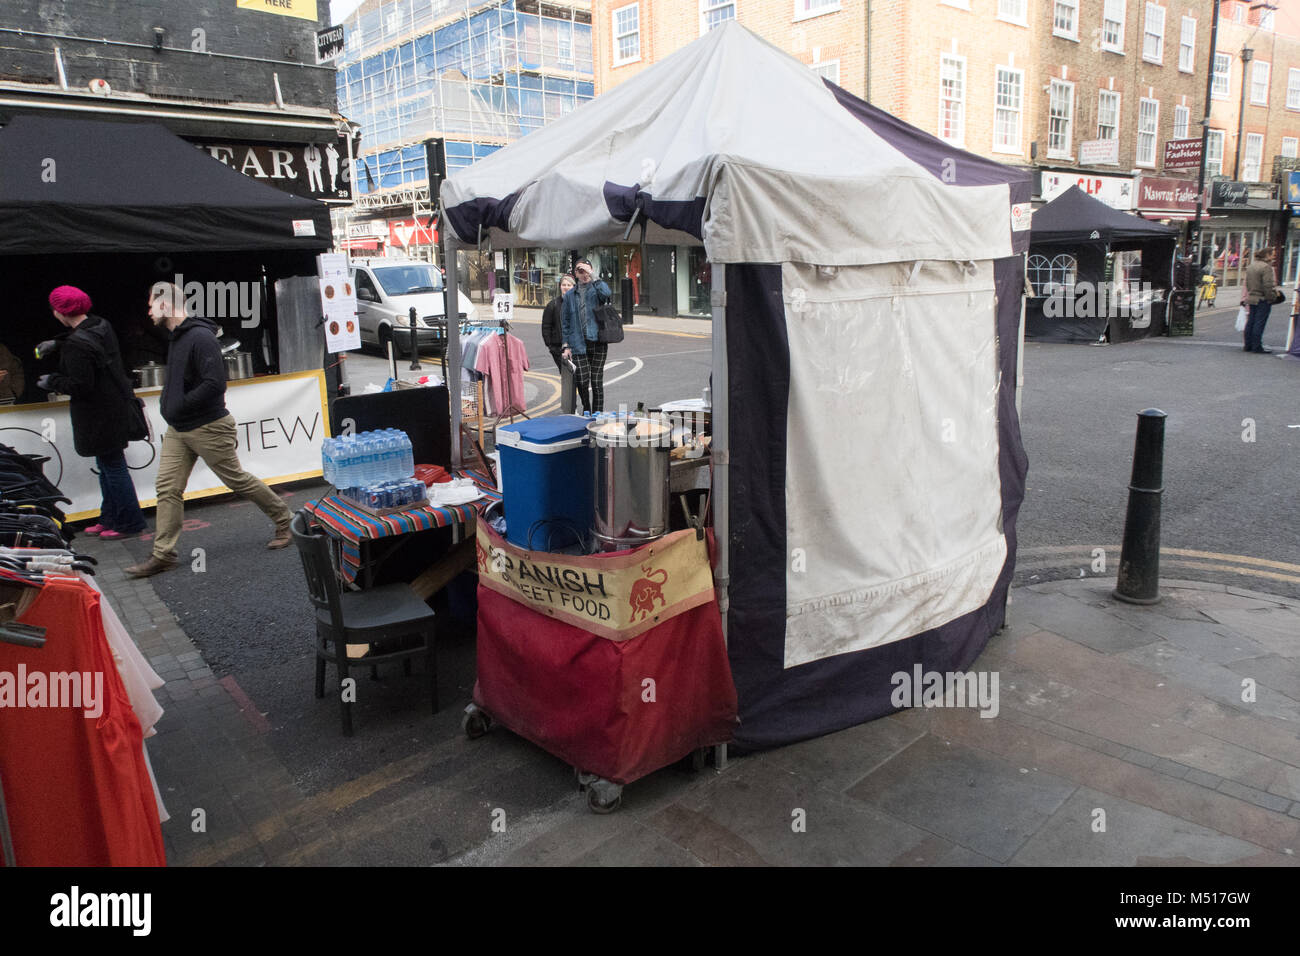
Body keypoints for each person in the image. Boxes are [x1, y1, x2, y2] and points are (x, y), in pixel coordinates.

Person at [125, 282, 292, 578]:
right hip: (181, 428)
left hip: (208, 426)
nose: (148, 311)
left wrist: (179, 406)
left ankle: (286, 520)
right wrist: (176, 409)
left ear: (165, 305)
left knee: (237, 480)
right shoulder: (178, 337)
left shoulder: (200, 337)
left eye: (151, 304)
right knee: (168, 488)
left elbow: (215, 383)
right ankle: (163, 554)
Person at [36, 286, 147, 538]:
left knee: (113, 467)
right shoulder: (102, 325)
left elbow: (80, 386)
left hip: (99, 415)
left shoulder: (76, 345)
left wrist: (52, 381)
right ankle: (110, 517)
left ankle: (129, 522)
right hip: (114, 408)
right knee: (108, 465)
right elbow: (87, 336)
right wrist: (58, 342)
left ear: (58, 311)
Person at [561, 258, 614, 413]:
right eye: (580, 270)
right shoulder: (570, 295)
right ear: (575, 274)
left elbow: (607, 293)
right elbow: (565, 322)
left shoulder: (597, 289)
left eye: (586, 270)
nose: (583, 273)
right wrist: (565, 346)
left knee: (597, 382)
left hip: (598, 341)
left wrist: (593, 275)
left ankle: (597, 415)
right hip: (578, 343)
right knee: (582, 381)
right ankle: (587, 409)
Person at [541, 274, 581, 411]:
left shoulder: (578, 303)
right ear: (560, 287)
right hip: (559, 349)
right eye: (564, 285)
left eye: (569, 285)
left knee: (578, 378)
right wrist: (551, 346)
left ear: (574, 287)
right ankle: (571, 408)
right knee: (567, 378)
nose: (566, 287)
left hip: (576, 347)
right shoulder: (553, 305)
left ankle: (574, 406)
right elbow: (546, 326)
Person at [1243, 245, 1281, 354]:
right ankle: (1257, 346)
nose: (1274, 257)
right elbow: (1268, 285)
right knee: (1259, 323)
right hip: (1262, 299)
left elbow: (1248, 284)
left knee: (1250, 322)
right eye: (1273, 255)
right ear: (1267, 255)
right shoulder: (1266, 267)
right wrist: (1271, 298)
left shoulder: (1251, 266)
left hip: (1252, 297)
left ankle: (1248, 345)